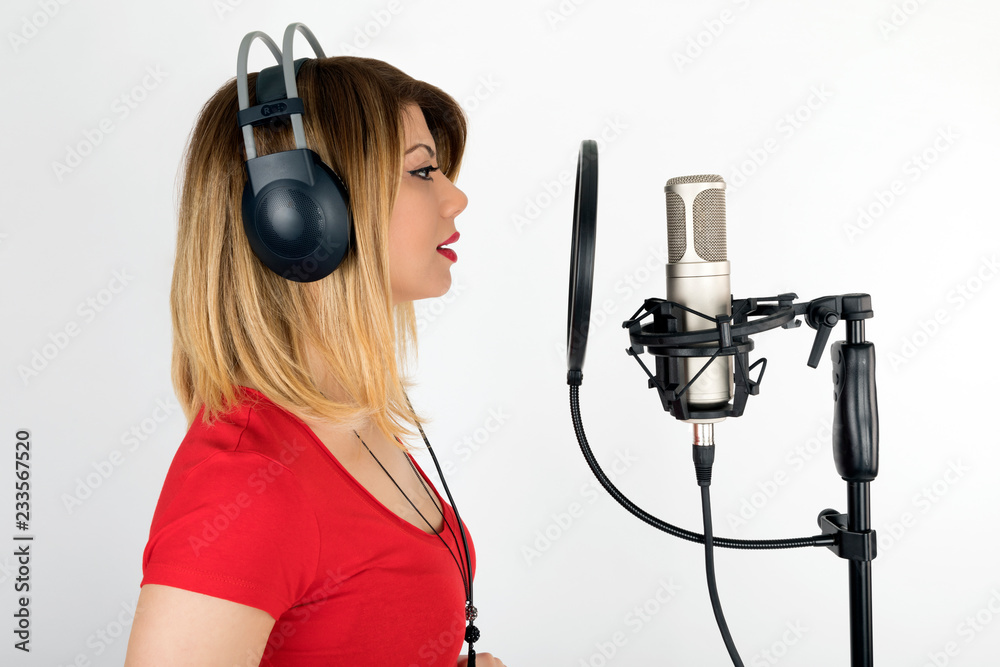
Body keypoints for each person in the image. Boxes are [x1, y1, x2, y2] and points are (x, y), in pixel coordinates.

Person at [124, 29, 506, 667]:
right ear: (296, 215)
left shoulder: (352, 424)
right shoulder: (246, 485)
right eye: (421, 170)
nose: (455, 196)